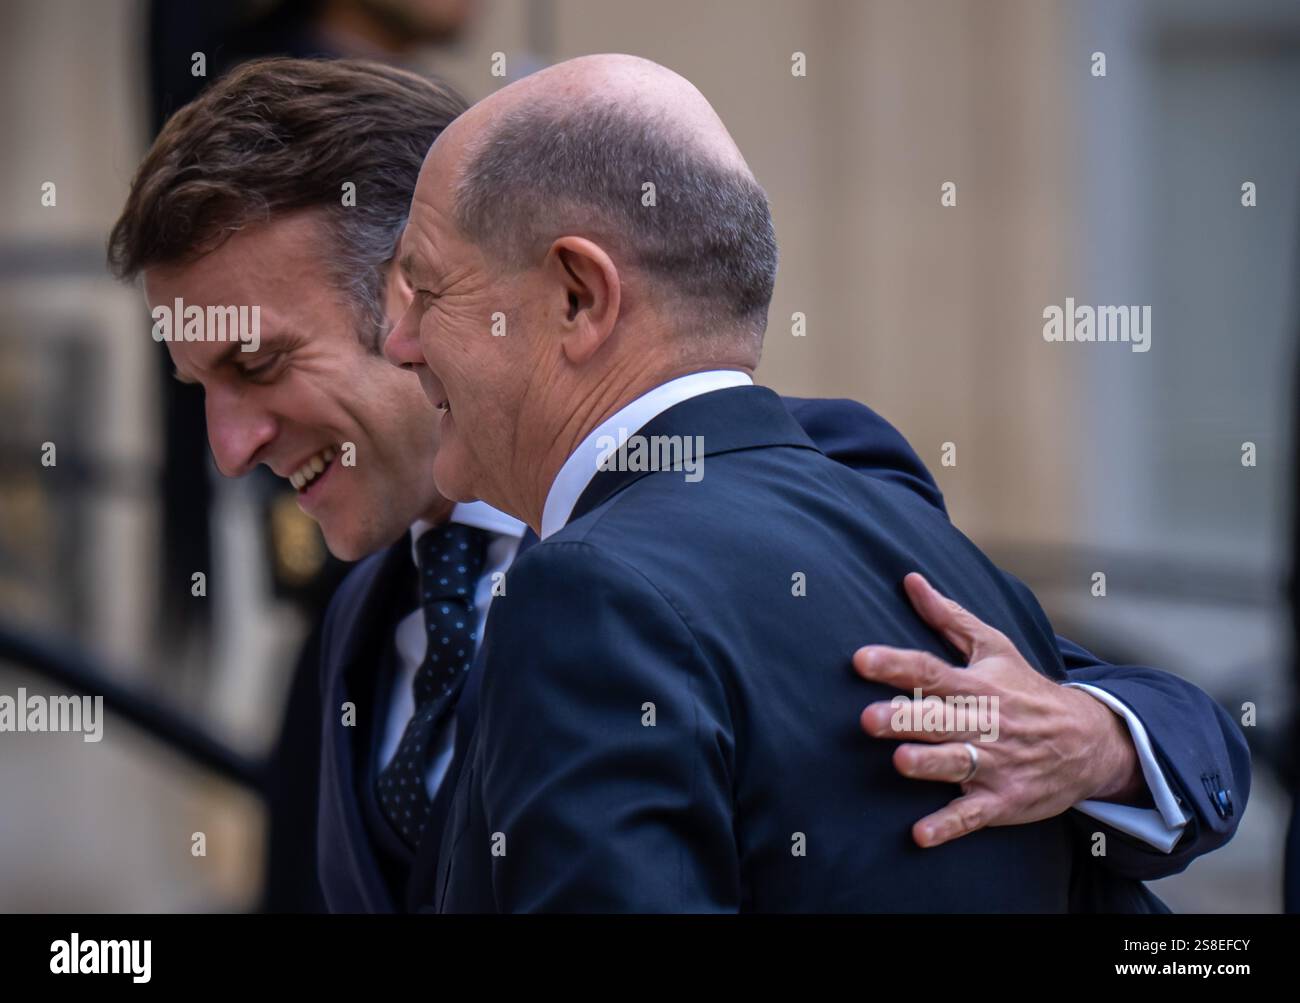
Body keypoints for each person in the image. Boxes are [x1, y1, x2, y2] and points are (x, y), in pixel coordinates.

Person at [107, 57, 1247, 912]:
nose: (227, 446)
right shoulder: (351, 619)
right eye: (195, 386)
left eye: (256, 363)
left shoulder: (813, 479)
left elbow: (1121, 709)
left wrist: (1101, 737)